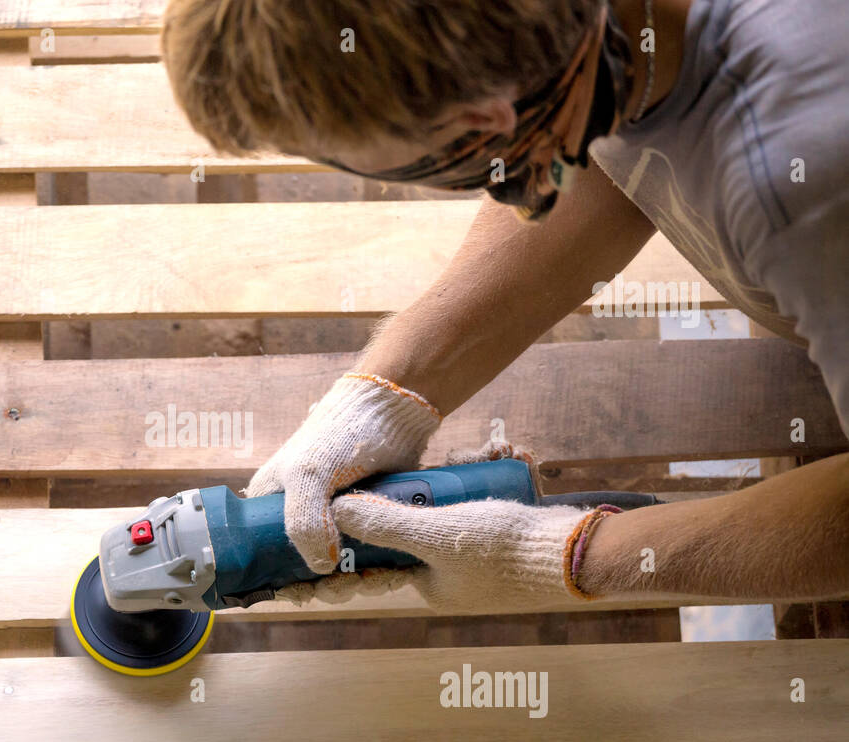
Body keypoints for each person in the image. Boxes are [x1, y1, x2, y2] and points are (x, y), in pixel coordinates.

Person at [160, 0, 849, 612]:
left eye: (436, 163)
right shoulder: (600, 37)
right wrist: (388, 392)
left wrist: (564, 553)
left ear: (493, 125)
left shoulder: (801, 180)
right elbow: (606, 150)